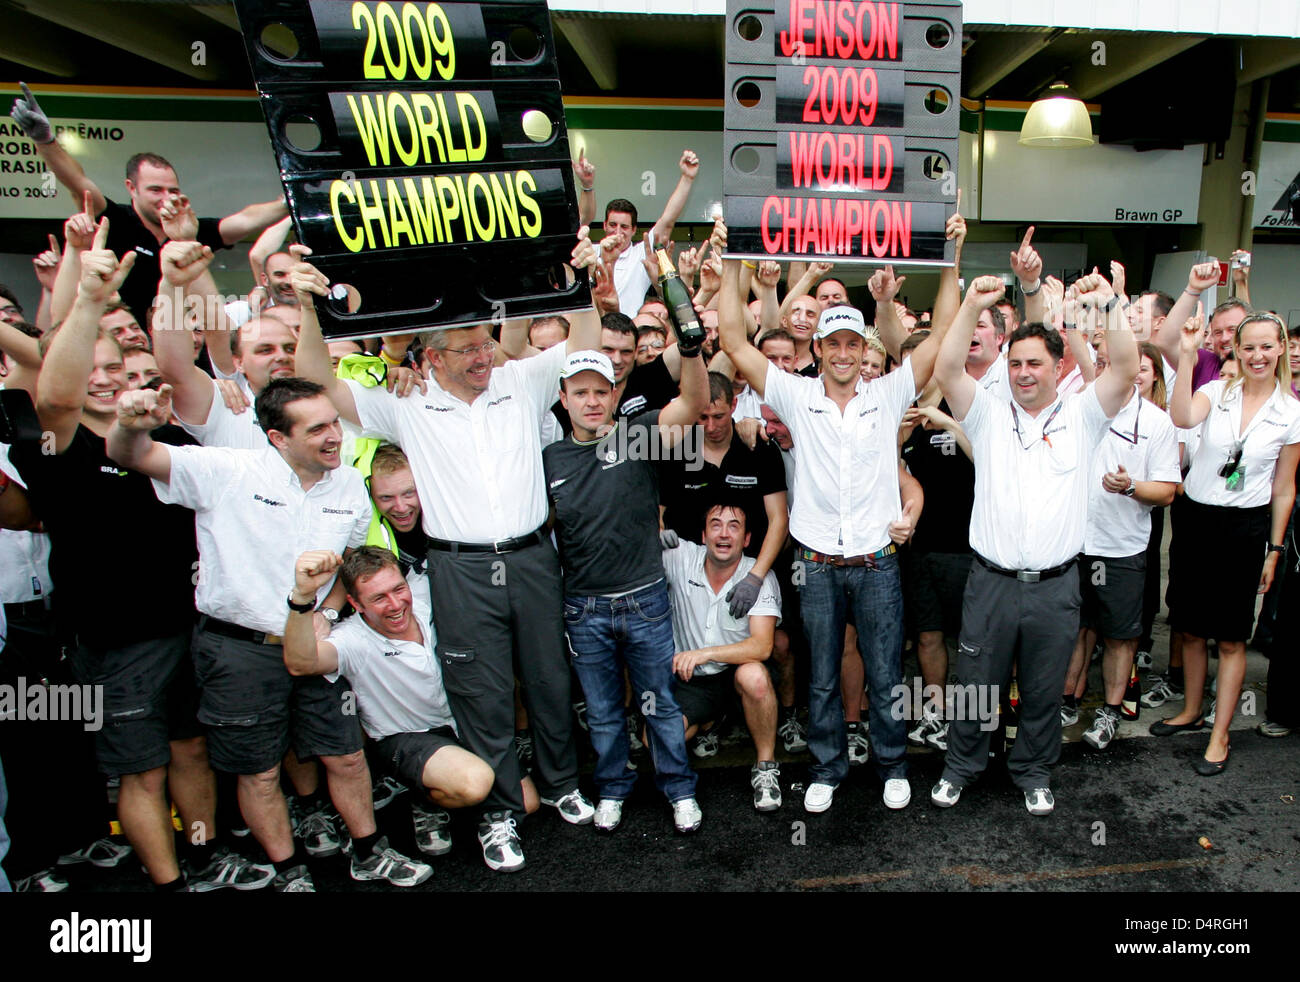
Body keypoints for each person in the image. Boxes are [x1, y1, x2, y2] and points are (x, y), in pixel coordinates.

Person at [291, 231, 603, 873]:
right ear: (430, 357)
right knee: (480, 690)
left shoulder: (521, 380)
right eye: (466, 350)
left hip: (533, 556)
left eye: (485, 344)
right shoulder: (406, 405)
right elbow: (319, 380)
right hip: (458, 565)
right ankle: (497, 815)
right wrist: (306, 307)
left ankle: (565, 782)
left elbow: (589, 344)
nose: (483, 357)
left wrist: (580, 283)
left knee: (547, 676)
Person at [107, 376, 429, 890]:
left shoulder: (348, 482)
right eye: (317, 428)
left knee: (345, 754)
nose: (334, 436)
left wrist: (328, 611)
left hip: (318, 644)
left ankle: (369, 852)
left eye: (334, 423)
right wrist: (129, 427)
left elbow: (348, 562)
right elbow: (136, 455)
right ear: (278, 437)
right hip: (239, 649)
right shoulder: (224, 470)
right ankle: (288, 871)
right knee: (258, 771)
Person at [7, 219, 220, 891]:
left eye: (115, 369)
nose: (104, 381)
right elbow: (56, 394)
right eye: (93, 369)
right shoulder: (54, 448)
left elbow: (187, 356)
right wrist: (91, 301)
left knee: (192, 750)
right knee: (141, 770)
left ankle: (208, 856)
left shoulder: (164, 439)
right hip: (115, 641)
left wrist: (181, 288)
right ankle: (166, 883)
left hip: (190, 624)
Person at [718, 218, 956, 815]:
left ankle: (892, 766)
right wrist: (730, 263)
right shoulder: (795, 395)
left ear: (865, 349)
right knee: (821, 676)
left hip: (877, 563)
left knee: (883, 672)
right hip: (816, 565)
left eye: (855, 344)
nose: (845, 353)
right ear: (817, 350)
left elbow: (944, 333)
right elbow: (731, 339)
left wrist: (950, 256)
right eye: (834, 344)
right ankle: (826, 768)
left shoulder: (888, 393)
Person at [930, 270, 1138, 816]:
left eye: (1035, 363)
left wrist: (1111, 305)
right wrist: (973, 304)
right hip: (991, 583)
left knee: (1045, 689)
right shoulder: (987, 413)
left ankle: (1033, 770)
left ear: (1058, 366)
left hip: (1055, 587)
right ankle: (961, 767)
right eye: (1015, 363)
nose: (1023, 373)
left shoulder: (1085, 415)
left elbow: (1127, 368)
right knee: (975, 682)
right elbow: (948, 367)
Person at [545, 347, 708, 833]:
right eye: (581, 393)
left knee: (659, 702)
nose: (592, 401)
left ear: (616, 394)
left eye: (601, 391)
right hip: (583, 606)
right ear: (563, 399)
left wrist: (692, 347)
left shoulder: (640, 437)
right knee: (602, 711)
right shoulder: (549, 457)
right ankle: (612, 788)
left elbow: (694, 402)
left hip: (645, 600)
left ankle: (679, 789)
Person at [283, 547, 495, 867]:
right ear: (355, 604)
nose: (396, 605)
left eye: (398, 589)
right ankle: (424, 798)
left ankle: (433, 783)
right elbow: (301, 663)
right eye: (379, 598)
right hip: (406, 737)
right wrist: (302, 598)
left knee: (528, 803)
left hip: (459, 723)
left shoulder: (423, 602)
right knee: (474, 783)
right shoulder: (351, 639)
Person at [11, 85, 287, 328]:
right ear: (131, 188)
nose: (166, 198)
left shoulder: (189, 230)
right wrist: (45, 141)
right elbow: (76, 181)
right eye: (155, 190)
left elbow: (245, 220)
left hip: (182, 343)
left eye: (173, 190)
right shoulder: (115, 219)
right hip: (123, 341)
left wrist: (289, 203)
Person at [1158, 311, 1300, 774]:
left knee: (1233, 637)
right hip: (1197, 520)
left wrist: (1275, 551)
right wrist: (1184, 353)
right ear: (1235, 351)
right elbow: (1180, 416)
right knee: (1192, 626)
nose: (1257, 356)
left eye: (1266, 346)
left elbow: (1283, 489)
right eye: (1248, 347)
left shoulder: (1291, 412)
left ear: (1280, 348)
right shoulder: (1214, 392)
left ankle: (1220, 736)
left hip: (1246, 529)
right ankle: (1191, 710)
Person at [1065, 326, 1180, 751]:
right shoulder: (1075, 406)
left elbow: (1167, 490)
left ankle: (1111, 711)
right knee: (1075, 628)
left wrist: (1131, 486)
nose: (1105, 366)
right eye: (1099, 359)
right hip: (1073, 545)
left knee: (1118, 636)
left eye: (1112, 359)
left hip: (1121, 549)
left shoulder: (1155, 422)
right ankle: (1066, 700)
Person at [662, 502, 784, 811]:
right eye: (715, 525)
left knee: (754, 676)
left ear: (746, 539)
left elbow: (762, 646)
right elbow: (632, 534)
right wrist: (655, 535)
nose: (724, 533)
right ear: (703, 535)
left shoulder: (758, 575)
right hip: (698, 681)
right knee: (659, 742)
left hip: (737, 670)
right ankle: (711, 721)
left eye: (734, 526)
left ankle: (766, 767)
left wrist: (705, 653)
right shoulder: (681, 557)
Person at [597, 150, 701, 316]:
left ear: (633, 230)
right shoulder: (592, 252)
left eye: (624, 227)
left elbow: (667, 221)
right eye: (612, 225)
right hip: (594, 333)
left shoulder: (641, 255)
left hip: (632, 332)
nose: (617, 232)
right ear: (604, 225)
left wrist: (687, 179)